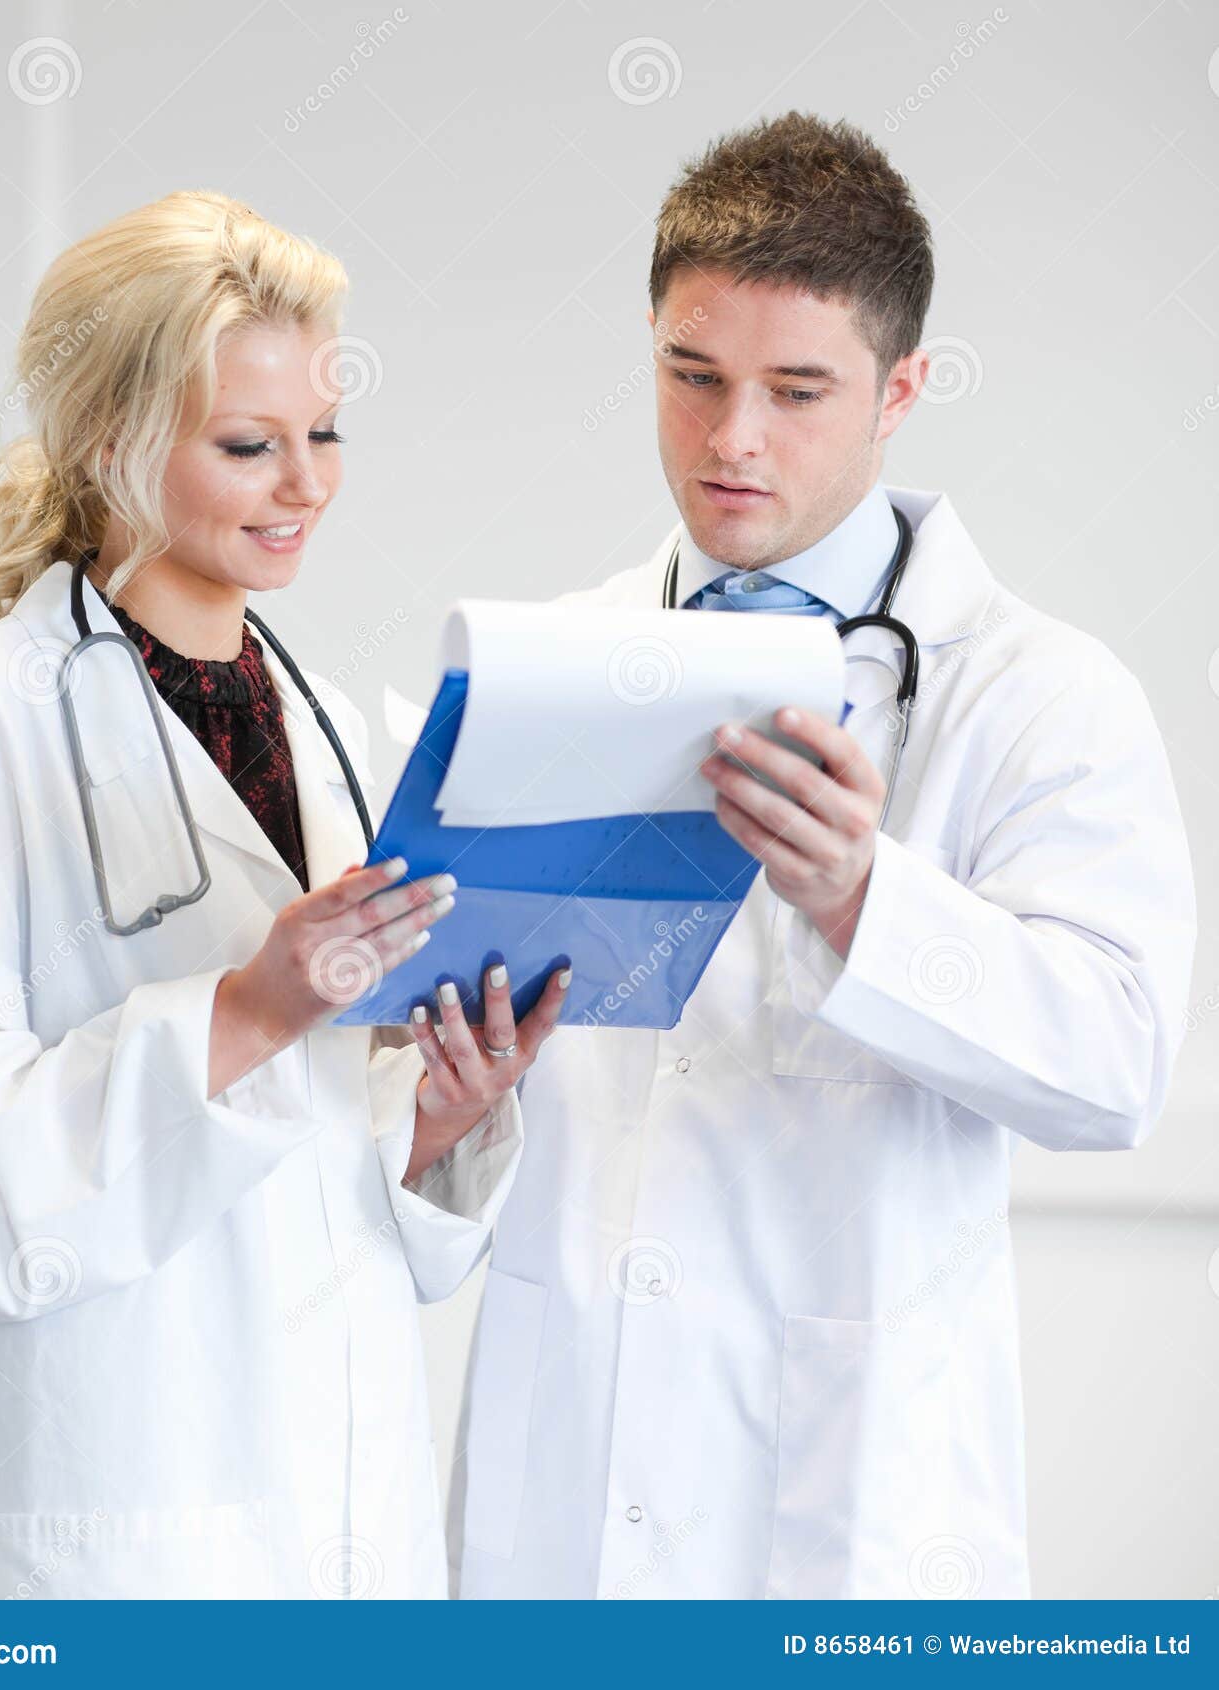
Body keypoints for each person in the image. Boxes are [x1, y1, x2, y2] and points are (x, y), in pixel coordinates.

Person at [451, 113, 1196, 1600]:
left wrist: (866, 900)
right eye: (691, 375)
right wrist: (447, 1088)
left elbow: (1115, 1065)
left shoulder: (1034, 690)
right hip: (565, 1484)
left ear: (900, 389)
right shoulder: (552, 666)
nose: (732, 438)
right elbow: (490, 1098)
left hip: (847, 1512)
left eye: (797, 391)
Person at [0, 190, 566, 1601]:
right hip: (106, 1522)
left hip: (342, 1522)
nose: (305, 484)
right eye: (247, 445)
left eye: (322, 435)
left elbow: (325, 1183)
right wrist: (245, 1009)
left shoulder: (328, 727)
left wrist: (436, 1119)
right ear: (112, 440)